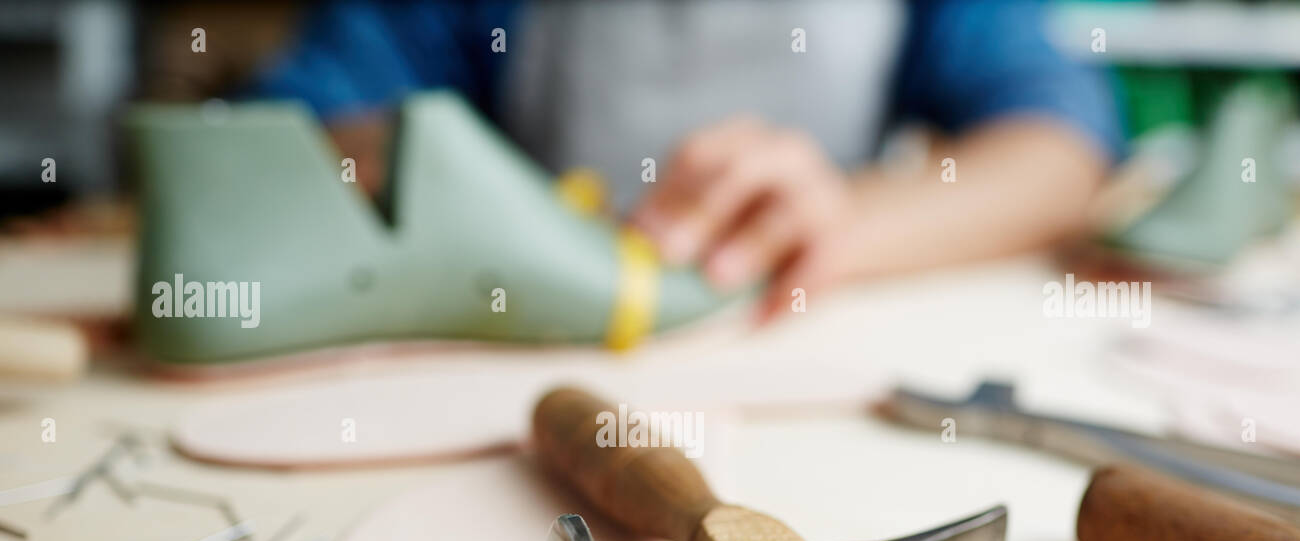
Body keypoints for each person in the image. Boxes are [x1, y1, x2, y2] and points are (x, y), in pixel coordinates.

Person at [247, 0, 1123, 319]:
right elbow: (284, 132)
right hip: (527, 343)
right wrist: (463, 185)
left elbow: (1061, 146)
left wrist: (846, 221)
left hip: (789, 328)